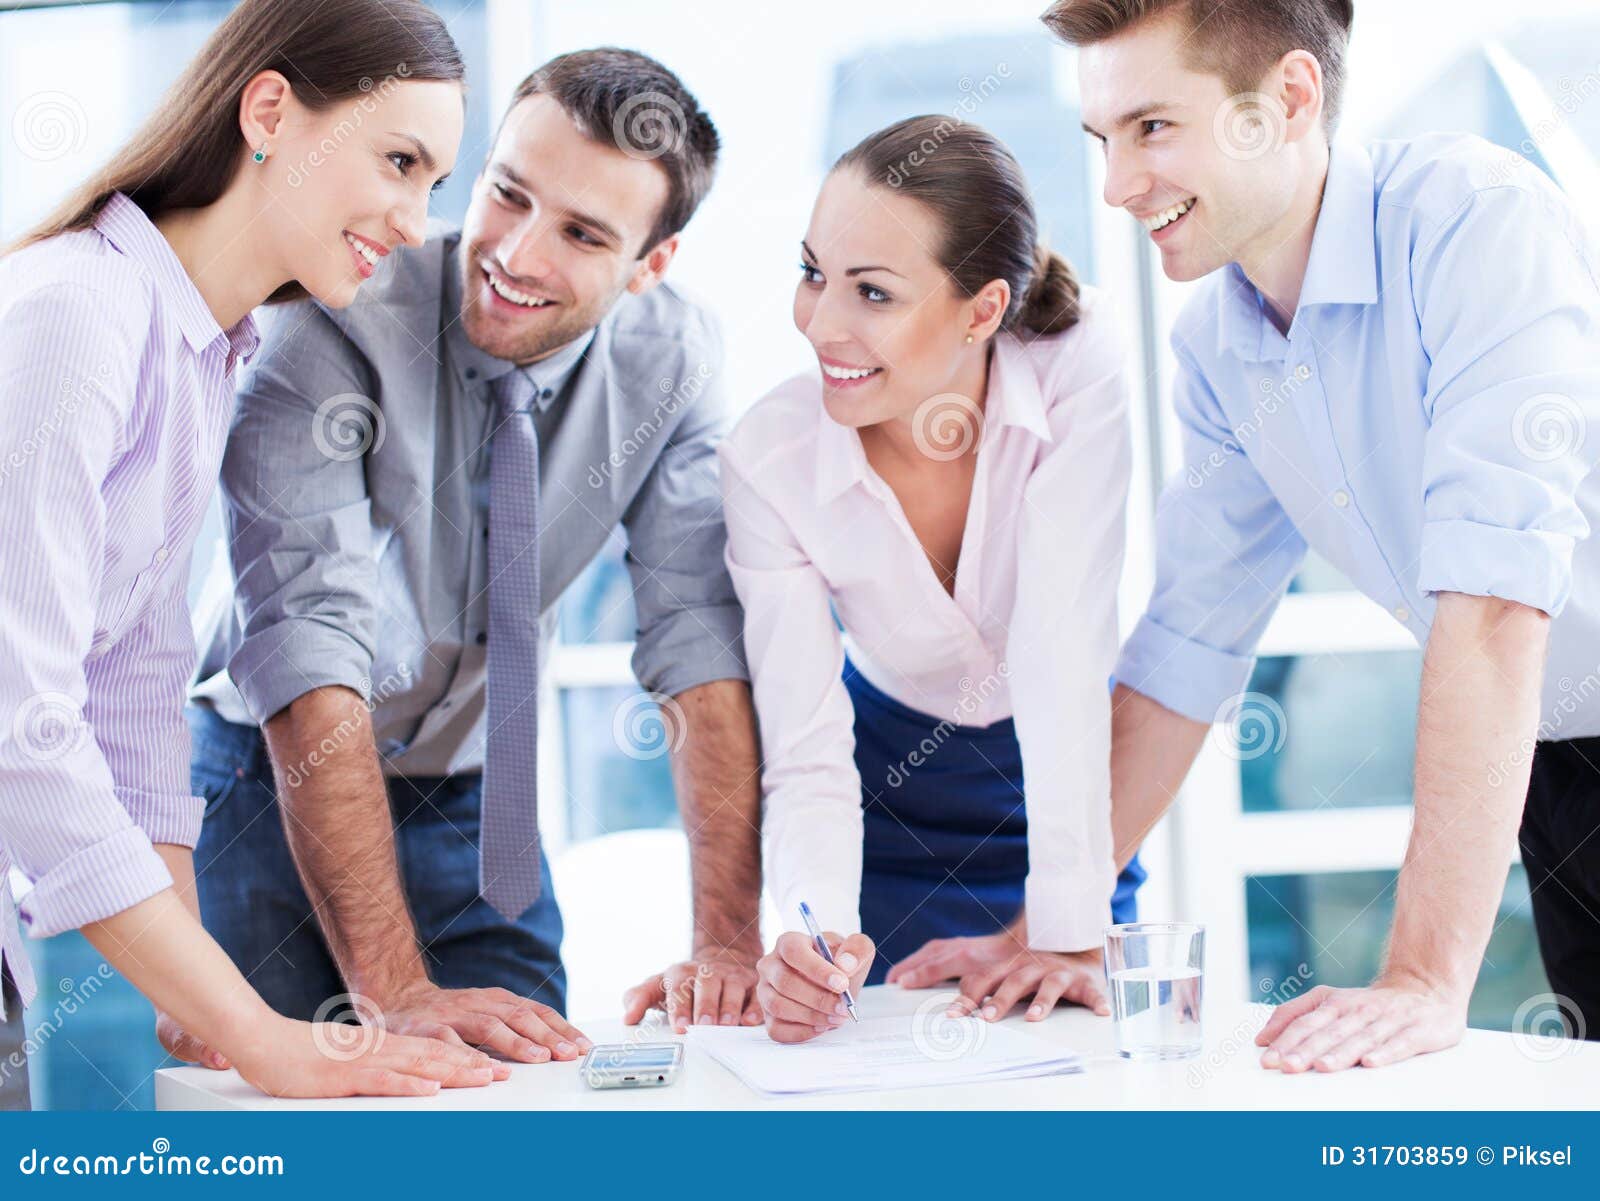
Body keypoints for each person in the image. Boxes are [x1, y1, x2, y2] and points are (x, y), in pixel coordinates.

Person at [1039, 0, 1600, 1068]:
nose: (1116, 185)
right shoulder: (1218, 349)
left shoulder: (1473, 223)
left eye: (1153, 128)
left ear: (1288, 100)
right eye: (1103, 141)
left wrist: (1425, 980)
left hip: (1529, 699)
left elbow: (1490, 603)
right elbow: (1183, 650)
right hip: (1551, 765)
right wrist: (1050, 924)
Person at [187, 46, 764, 1057]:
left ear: (650, 266)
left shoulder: (673, 362)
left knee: (522, 1106)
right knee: (293, 1126)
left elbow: (699, 640)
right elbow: (307, 640)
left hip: (473, 795)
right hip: (263, 782)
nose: (519, 254)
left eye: (583, 233)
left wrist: (725, 945)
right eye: (508, 194)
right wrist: (396, 988)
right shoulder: (333, 304)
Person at [0, 0, 506, 1103]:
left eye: (433, 182)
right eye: (399, 160)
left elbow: (130, 691)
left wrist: (194, 988)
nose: (418, 221)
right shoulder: (77, 313)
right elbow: (22, 724)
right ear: (270, 110)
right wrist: (260, 1030)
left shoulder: (205, 353)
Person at [725, 116, 1146, 1043]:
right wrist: (812, 935)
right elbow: (804, 748)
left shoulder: (1078, 366)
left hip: (1066, 787)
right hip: (887, 800)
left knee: (1080, 1073)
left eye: (872, 292)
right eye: (812, 274)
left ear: (983, 311)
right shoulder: (769, 457)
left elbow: (1064, 650)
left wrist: (1072, 931)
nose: (821, 324)